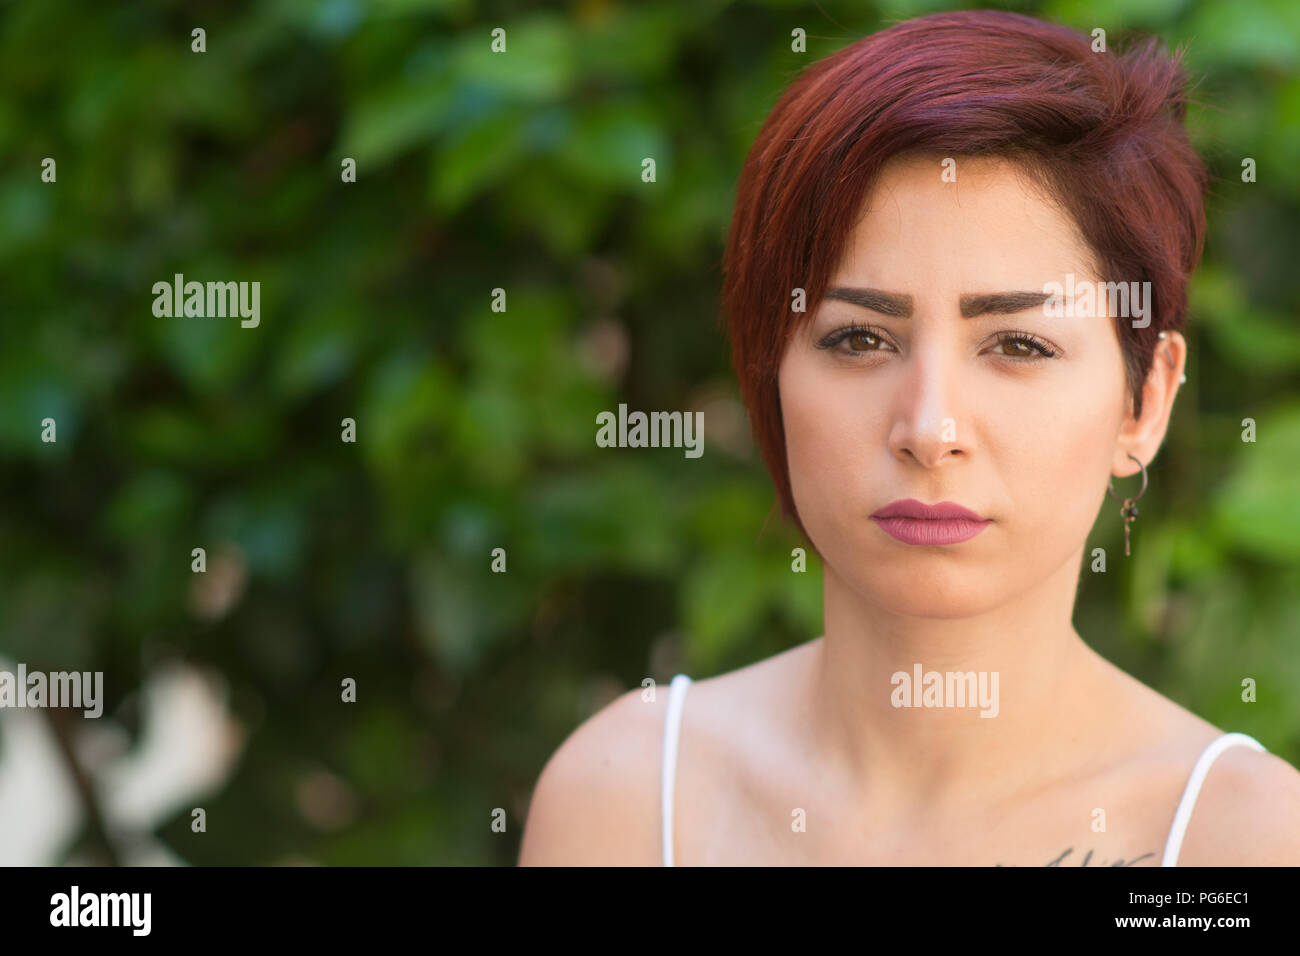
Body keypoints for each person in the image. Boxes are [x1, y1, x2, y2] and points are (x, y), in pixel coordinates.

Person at [518, 9, 1300, 866]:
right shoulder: (627, 798)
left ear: (1144, 402)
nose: (930, 430)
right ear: (768, 372)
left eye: (1018, 345)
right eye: (859, 339)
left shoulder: (1239, 841)